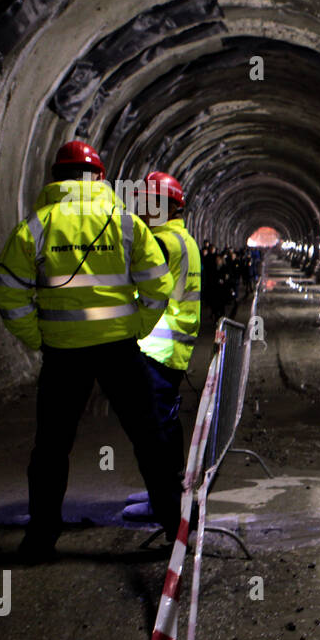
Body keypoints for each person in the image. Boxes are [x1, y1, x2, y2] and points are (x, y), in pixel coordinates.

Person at [0, 140, 180, 560]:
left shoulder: (37, 227)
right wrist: (138, 326)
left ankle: (41, 539)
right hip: (119, 350)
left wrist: (36, 336)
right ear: (99, 176)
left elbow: (7, 291)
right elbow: (158, 283)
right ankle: (173, 524)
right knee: (150, 439)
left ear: (56, 177)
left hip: (63, 354)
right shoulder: (126, 223)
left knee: (52, 447)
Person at [123, 172, 201, 524]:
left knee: (155, 430)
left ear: (170, 205)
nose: (142, 208)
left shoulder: (162, 243)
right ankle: (165, 490)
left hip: (157, 346)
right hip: (174, 346)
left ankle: (164, 503)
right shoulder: (182, 239)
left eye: (150, 202)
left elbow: (143, 291)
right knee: (166, 424)